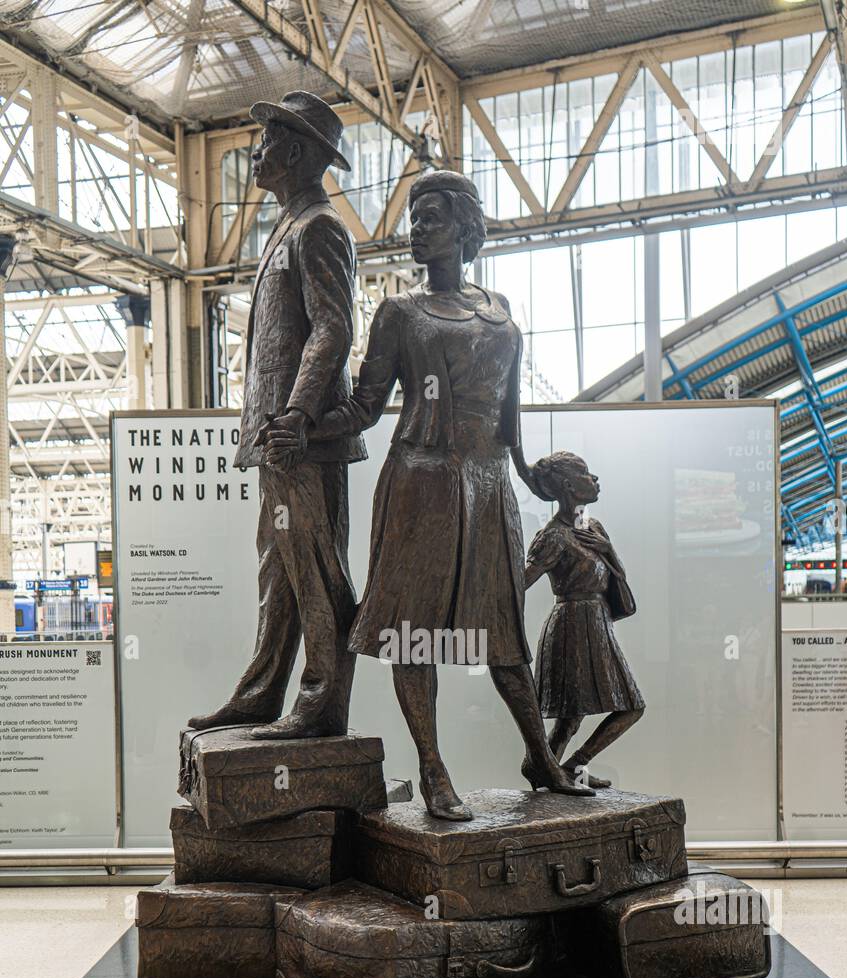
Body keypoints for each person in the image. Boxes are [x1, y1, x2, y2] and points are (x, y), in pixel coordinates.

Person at [283, 168, 591, 818]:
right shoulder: (399, 313)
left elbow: (509, 417)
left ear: (464, 227)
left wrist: (537, 476)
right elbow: (366, 406)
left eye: (431, 216)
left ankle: (541, 756)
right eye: (414, 217)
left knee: (503, 632)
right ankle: (432, 769)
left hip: (489, 488)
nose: (417, 228)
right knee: (413, 630)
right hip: (419, 485)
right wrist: (304, 426)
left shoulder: (501, 310)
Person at [188, 92, 365, 740]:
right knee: (280, 568)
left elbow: (333, 330)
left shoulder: (319, 227)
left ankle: (320, 704)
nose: (256, 150)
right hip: (279, 442)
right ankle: (263, 693)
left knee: (316, 570)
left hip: (302, 441)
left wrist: (295, 414)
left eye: (265, 140)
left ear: (293, 152)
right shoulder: (290, 227)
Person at [524, 451, 645, 787]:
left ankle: (557, 766)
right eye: (586, 475)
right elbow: (522, 581)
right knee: (576, 715)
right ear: (568, 485)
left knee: (600, 712)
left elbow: (615, 578)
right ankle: (550, 768)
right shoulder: (554, 535)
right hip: (572, 626)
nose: (595, 480)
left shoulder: (593, 528)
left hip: (597, 621)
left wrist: (608, 550)